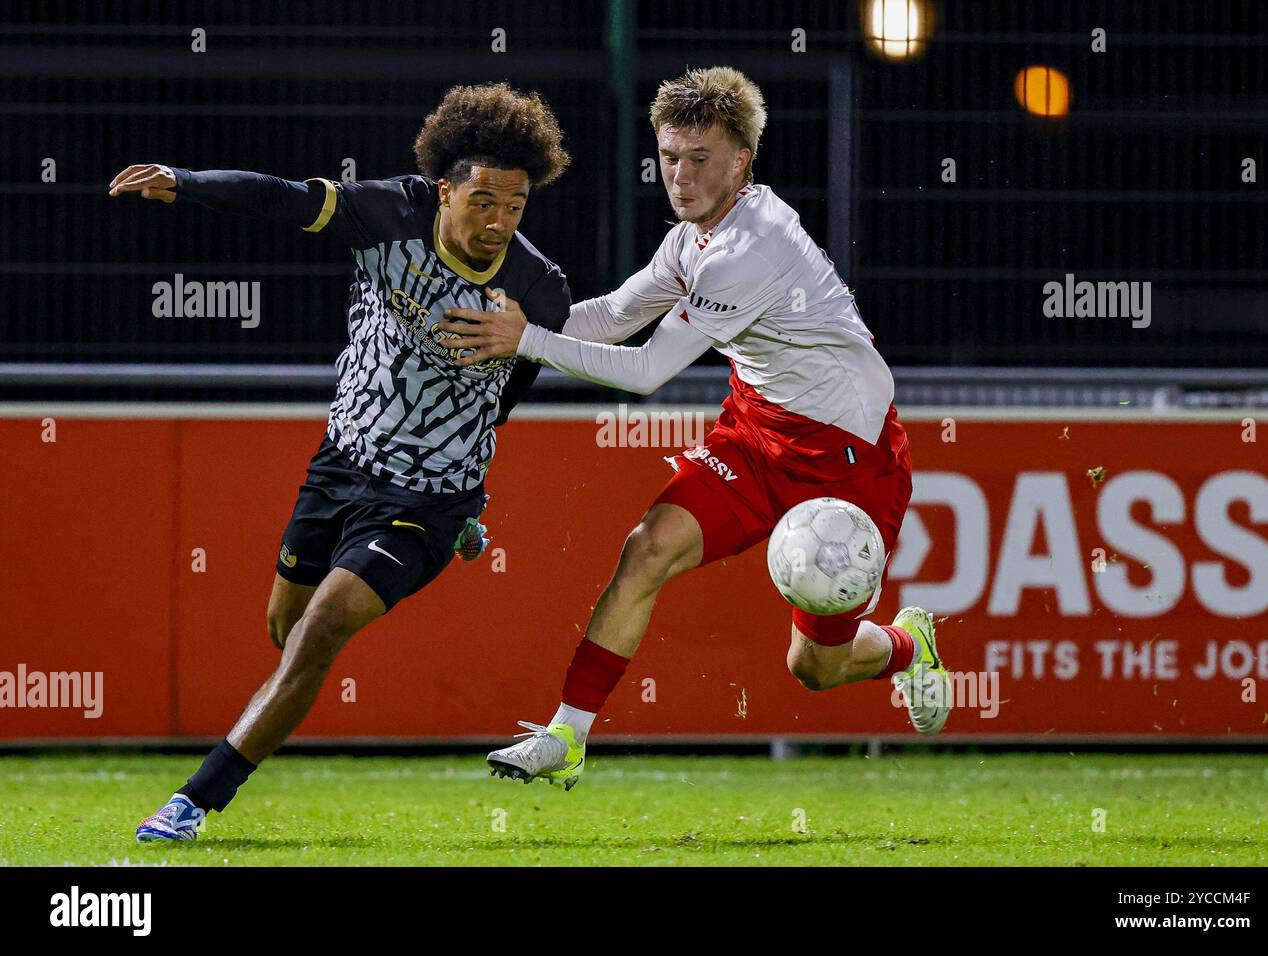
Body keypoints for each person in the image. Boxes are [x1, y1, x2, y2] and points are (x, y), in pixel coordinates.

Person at [438, 66, 950, 791]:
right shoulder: (693, 240)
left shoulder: (753, 248)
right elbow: (613, 316)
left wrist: (522, 340)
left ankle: (906, 644)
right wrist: (502, 323)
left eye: (698, 159)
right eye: (669, 157)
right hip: (756, 430)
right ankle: (568, 734)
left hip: (848, 459)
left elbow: (645, 373)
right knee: (646, 550)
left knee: (814, 669)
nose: (679, 176)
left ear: (742, 160)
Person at [111, 83, 573, 840]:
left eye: (515, 206)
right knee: (284, 626)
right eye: (483, 201)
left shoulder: (537, 289)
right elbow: (283, 199)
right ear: (443, 189)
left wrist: (470, 481)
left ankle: (194, 800)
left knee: (321, 627)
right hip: (341, 463)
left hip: (427, 500)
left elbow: (507, 395)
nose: (498, 222)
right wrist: (185, 181)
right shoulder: (385, 212)